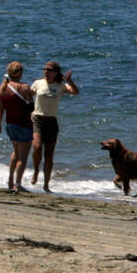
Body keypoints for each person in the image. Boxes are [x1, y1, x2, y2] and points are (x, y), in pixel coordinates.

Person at [29, 60, 79, 193]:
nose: (46, 72)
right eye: (45, 69)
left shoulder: (61, 85)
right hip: (37, 118)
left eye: (49, 70)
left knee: (49, 155)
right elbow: (28, 95)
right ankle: (35, 171)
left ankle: (46, 184)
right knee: (37, 146)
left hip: (52, 121)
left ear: (55, 72)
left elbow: (75, 92)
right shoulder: (38, 83)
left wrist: (70, 81)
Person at [0, 61, 34, 192]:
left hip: (10, 125)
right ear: (20, 73)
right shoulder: (24, 87)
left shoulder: (2, 89)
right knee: (23, 156)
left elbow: (0, 110)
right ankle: (17, 184)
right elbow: (32, 106)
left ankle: (10, 180)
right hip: (24, 124)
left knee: (15, 153)